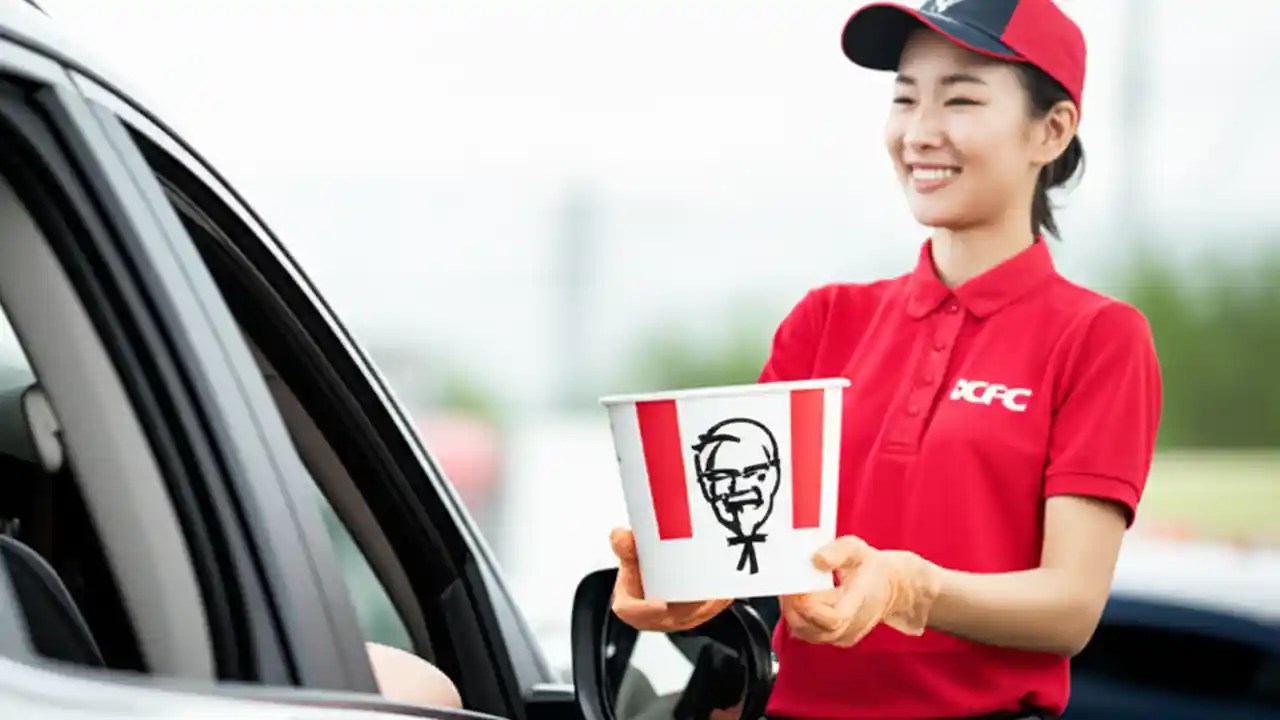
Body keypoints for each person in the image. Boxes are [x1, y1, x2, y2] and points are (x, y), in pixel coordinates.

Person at [608, 1, 1163, 718]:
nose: (920, 133)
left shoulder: (1099, 337)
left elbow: (1070, 607)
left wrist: (912, 588)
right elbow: (750, 552)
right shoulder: (825, 320)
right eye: (905, 98)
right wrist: (680, 583)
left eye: (960, 99)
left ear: (1051, 130)